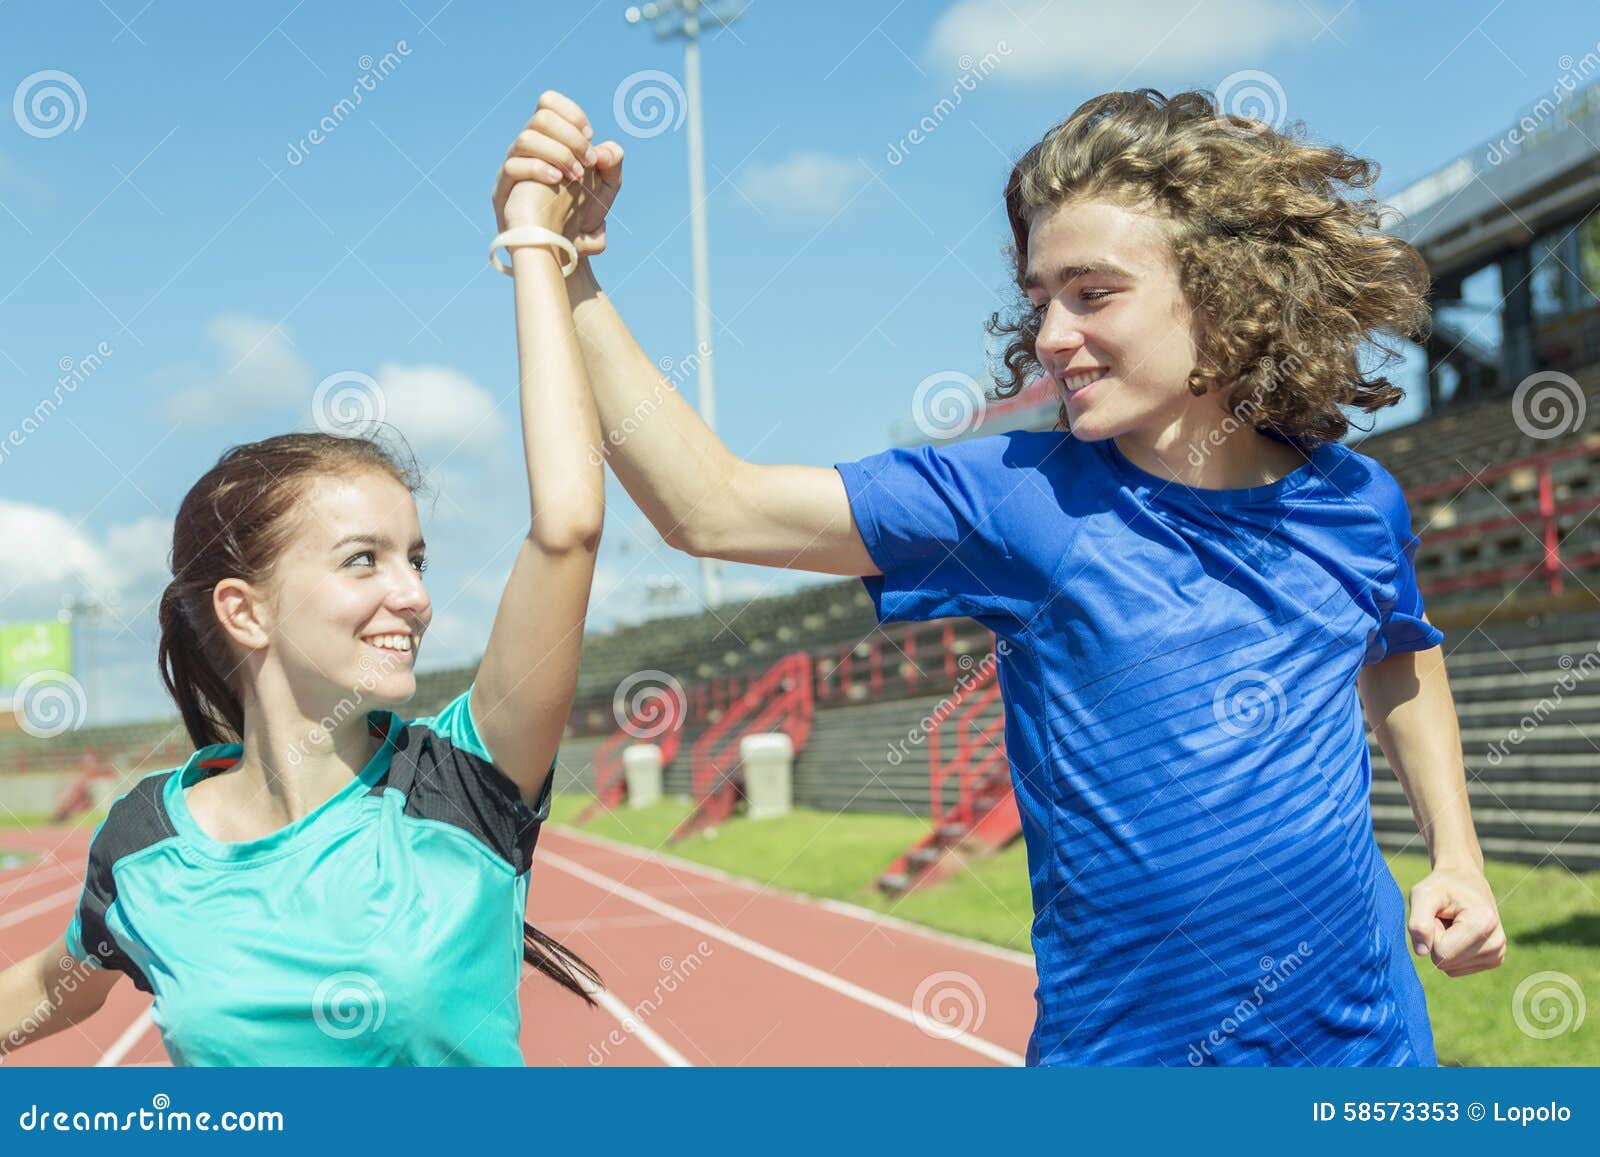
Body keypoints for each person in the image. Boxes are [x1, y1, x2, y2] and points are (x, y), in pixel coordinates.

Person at [504, 87, 1506, 1066]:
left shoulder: (1354, 502)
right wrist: (568, 269)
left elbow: (1398, 659)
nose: (1051, 336)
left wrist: (1453, 853)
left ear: (1226, 290)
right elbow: (710, 504)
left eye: (1093, 293)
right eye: (1039, 299)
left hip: (1367, 1052)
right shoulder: (1015, 500)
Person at [0, 119, 609, 1065]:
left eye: (417, 558)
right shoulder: (143, 844)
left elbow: (567, 525)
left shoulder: (462, 787)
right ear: (245, 609)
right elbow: (53, 986)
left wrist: (534, 240)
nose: (412, 595)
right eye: (364, 560)